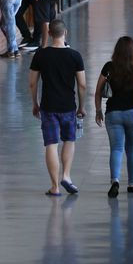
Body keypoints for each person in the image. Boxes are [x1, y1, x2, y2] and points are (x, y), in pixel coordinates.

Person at [28, 19, 87, 196]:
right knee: (69, 140)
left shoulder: (41, 55)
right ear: (65, 33)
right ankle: (67, 176)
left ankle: (54, 187)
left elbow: (32, 83)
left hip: (48, 106)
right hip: (68, 106)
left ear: (50, 34)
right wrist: (82, 106)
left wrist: (35, 103)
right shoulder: (75, 56)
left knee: (51, 144)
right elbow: (82, 84)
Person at [94, 36, 133, 197]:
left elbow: (98, 90)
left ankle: (115, 180)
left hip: (113, 113)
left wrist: (98, 110)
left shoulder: (109, 67)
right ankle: (132, 183)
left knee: (116, 149)